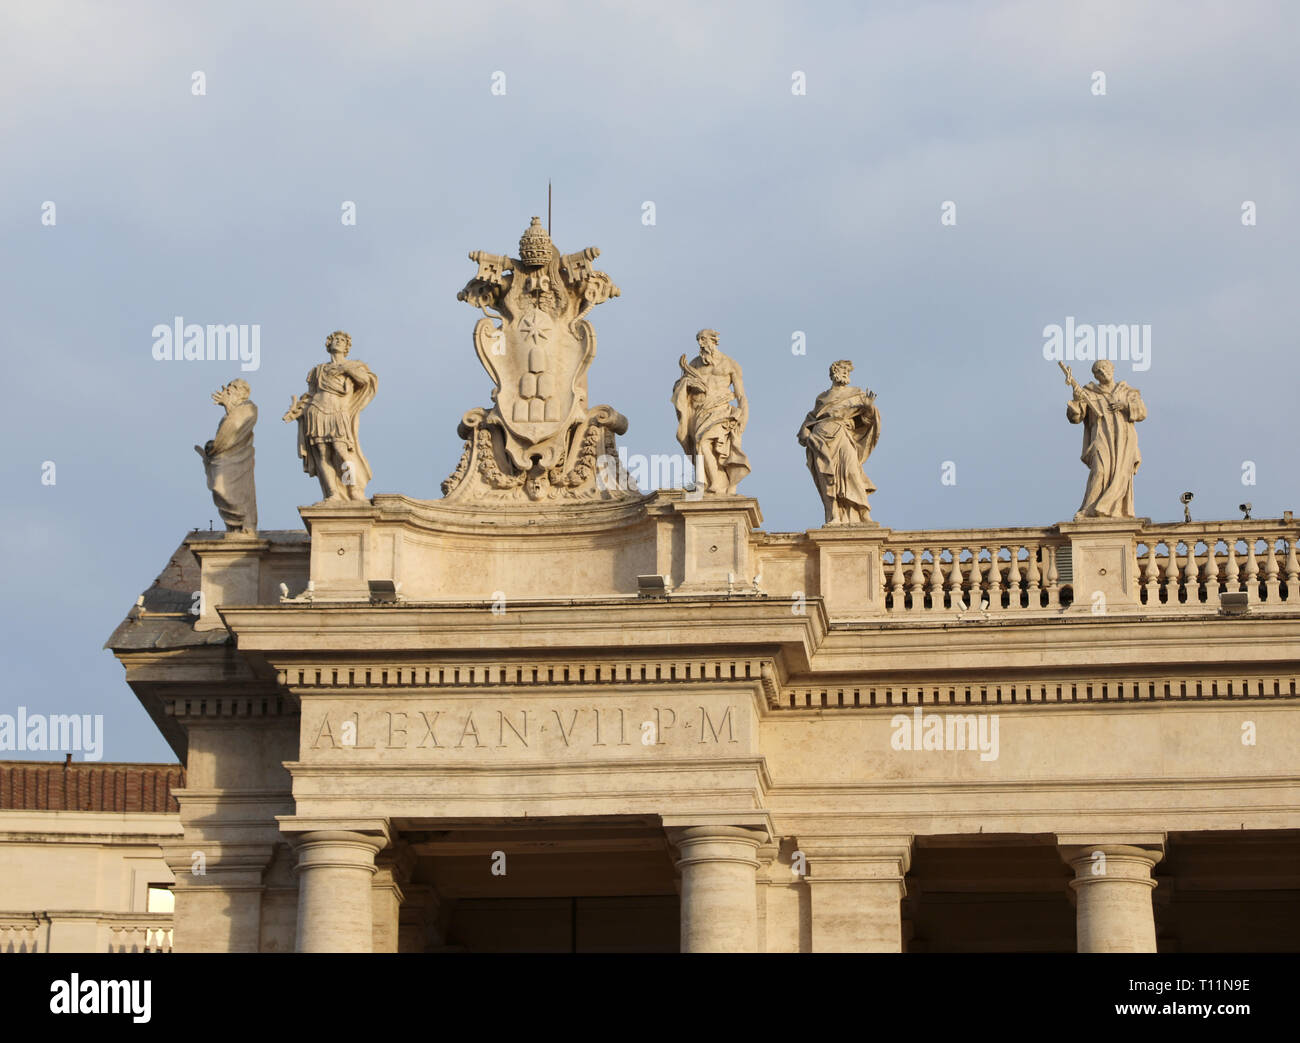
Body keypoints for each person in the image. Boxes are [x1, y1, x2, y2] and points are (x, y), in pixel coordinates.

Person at [283, 331, 378, 502]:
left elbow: (364, 381)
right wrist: (299, 409)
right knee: (322, 453)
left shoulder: (353, 366)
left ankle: (353, 489)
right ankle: (333, 493)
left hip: (338, 412)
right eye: (335, 339)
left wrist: (345, 368)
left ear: (347, 347)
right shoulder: (317, 370)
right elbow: (311, 394)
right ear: (329, 344)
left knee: (342, 451)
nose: (338, 342)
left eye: (342, 340)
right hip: (317, 412)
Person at [797, 359, 881, 524]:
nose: (845, 374)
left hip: (842, 434)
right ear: (833, 373)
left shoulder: (856, 394)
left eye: (847, 372)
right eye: (842, 370)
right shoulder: (822, 398)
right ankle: (834, 515)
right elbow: (809, 421)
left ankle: (863, 513)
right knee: (828, 478)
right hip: (821, 438)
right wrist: (807, 435)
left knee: (852, 472)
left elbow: (867, 419)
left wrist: (869, 406)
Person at [1063, 359, 1146, 519]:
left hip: (1124, 439)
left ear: (1112, 369)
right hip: (1100, 436)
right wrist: (1076, 399)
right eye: (1098, 371)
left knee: (1121, 474)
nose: (1103, 372)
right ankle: (1090, 508)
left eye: (1105, 368)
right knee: (1100, 470)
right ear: (1095, 375)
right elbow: (1076, 417)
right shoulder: (1089, 393)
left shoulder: (1127, 392)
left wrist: (1124, 405)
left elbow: (1142, 412)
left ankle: (1114, 510)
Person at [671, 329, 750, 495]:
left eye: (704, 340)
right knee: (698, 446)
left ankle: (714, 483)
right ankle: (705, 483)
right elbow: (678, 388)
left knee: (702, 441)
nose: (701, 344)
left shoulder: (730, 364)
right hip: (699, 411)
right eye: (699, 340)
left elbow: (741, 395)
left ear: (714, 341)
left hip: (721, 409)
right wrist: (688, 385)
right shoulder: (693, 364)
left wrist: (743, 416)